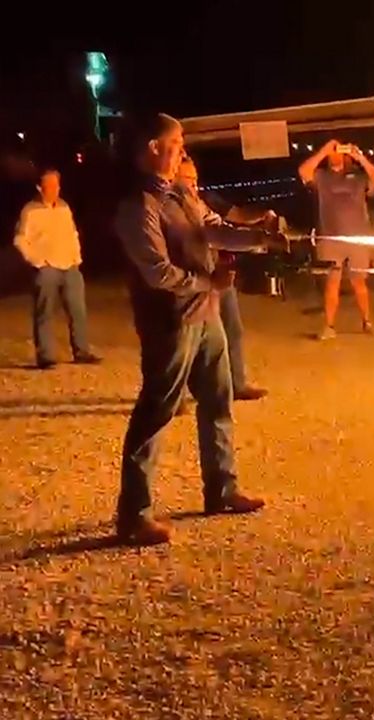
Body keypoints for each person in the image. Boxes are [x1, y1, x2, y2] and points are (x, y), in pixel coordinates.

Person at [114, 112, 273, 546]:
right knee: (157, 411)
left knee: (218, 401)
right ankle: (134, 514)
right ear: (152, 148)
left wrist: (261, 237)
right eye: (176, 141)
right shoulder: (137, 207)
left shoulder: (182, 193)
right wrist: (209, 283)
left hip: (206, 317)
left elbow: (215, 230)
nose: (182, 149)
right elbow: (157, 272)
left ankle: (221, 489)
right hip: (170, 323)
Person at [175, 156, 271, 400]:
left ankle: (233, 385)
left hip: (216, 273)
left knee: (230, 330)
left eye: (195, 179)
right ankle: (175, 397)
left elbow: (225, 228)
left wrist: (260, 235)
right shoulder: (168, 209)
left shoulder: (202, 203)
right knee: (185, 340)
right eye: (188, 179)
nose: (194, 185)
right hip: (191, 280)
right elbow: (212, 235)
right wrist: (258, 238)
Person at [12, 167, 102, 369]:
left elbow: (72, 234)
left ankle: (82, 350)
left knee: (78, 311)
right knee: (45, 311)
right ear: (39, 187)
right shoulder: (30, 211)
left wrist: (76, 258)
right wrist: (37, 261)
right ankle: (45, 355)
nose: (55, 189)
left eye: (56, 185)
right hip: (47, 268)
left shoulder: (63, 207)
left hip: (69, 266)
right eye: (49, 185)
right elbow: (20, 239)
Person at [298, 139, 374, 340]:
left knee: (359, 283)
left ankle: (367, 321)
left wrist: (360, 157)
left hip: (357, 239)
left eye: (339, 151)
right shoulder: (321, 177)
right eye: (333, 152)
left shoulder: (357, 177)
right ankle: (329, 326)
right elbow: (303, 172)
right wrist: (323, 150)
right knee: (332, 283)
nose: (335, 155)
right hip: (330, 238)